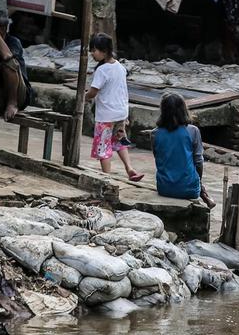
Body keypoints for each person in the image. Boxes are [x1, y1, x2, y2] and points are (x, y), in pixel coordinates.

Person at [85, 33, 143, 181]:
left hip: (106, 115)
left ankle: (106, 178)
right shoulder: (120, 67)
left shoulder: (102, 70)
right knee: (119, 141)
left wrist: (83, 96)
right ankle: (129, 168)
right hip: (121, 113)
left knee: (103, 147)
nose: (92, 53)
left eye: (94, 50)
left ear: (104, 51)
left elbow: (92, 92)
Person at [152, 92, 216, 208]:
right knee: (193, 175)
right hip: (189, 189)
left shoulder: (154, 133)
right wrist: (199, 183)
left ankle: (202, 191)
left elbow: (159, 159)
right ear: (183, 109)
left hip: (164, 188)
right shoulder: (193, 131)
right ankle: (203, 193)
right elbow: (199, 162)